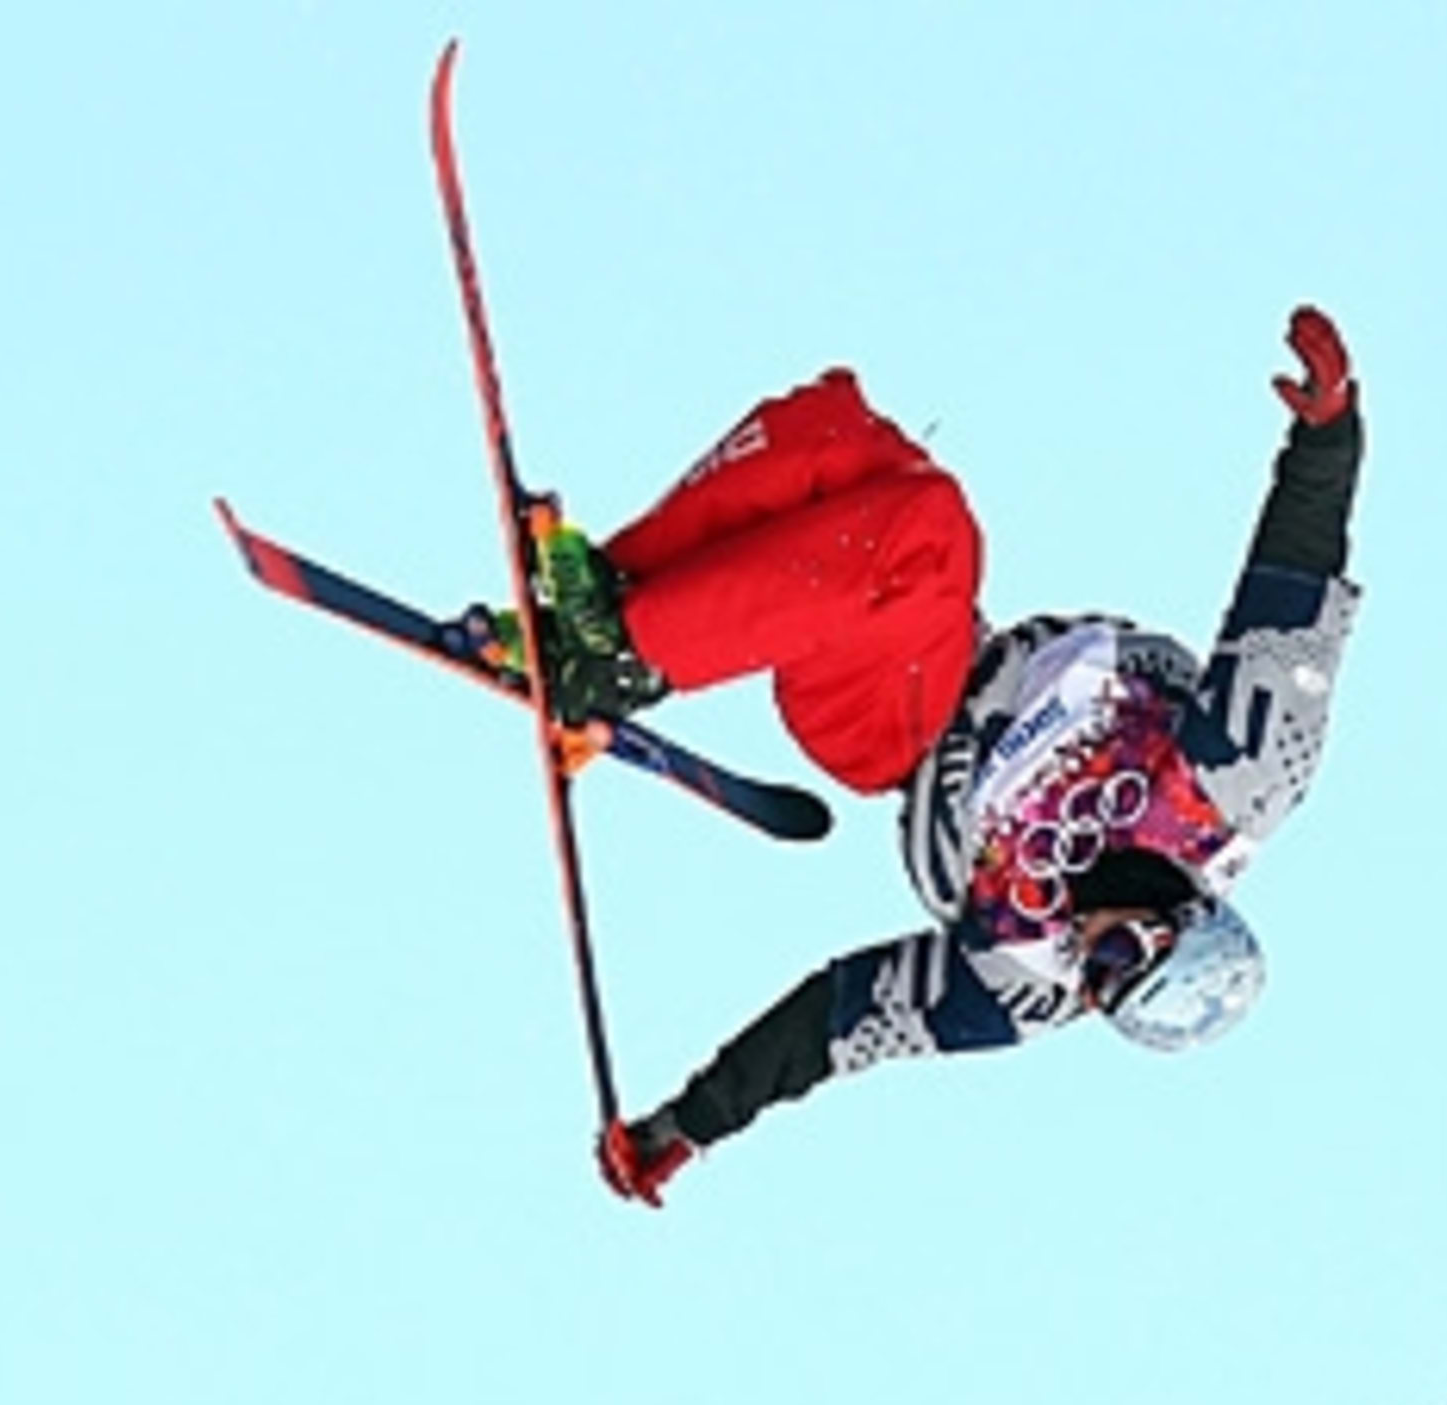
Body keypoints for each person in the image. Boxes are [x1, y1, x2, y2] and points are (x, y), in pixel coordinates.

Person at [536, 306, 1368, 1206]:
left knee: (929, 534)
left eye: (1103, 989)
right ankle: (609, 600)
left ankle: (627, 655)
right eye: (1124, 952)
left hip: (885, 722)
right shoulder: (1238, 776)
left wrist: (687, 1126)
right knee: (837, 434)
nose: (1092, 961)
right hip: (943, 638)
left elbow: (838, 1023)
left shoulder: (1024, 981)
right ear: (1180, 912)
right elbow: (1289, 589)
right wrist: (1327, 438)